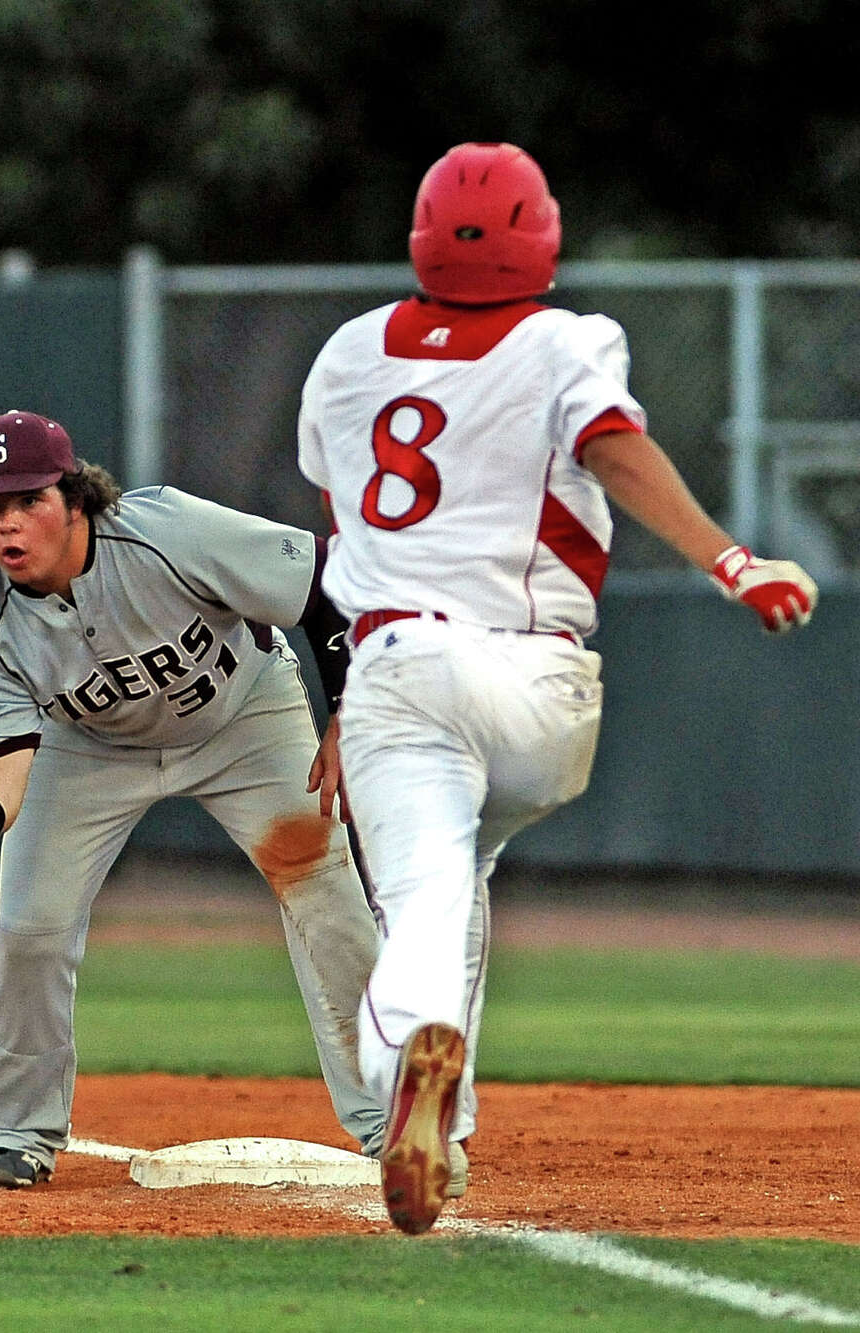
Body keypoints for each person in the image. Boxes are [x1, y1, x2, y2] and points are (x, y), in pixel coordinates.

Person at [296, 141, 819, 1235]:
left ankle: (412, 1072)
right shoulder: (567, 338)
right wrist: (732, 559)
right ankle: (455, 1117)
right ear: (546, 234)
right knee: (469, 859)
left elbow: (340, 504)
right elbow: (612, 446)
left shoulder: (348, 353)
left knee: (422, 904)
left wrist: (346, 698)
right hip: (539, 686)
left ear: (419, 237)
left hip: (398, 668)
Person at [0, 409, 385, 1186]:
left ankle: (393, 1116)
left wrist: (351, 708)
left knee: (324, 888)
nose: (9, 523)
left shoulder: (166, 530)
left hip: (244, 715)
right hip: (86, 752)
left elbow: (323, 580)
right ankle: (19, 1131)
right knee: (30, 924)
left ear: (77, 498)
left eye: (30, 500)